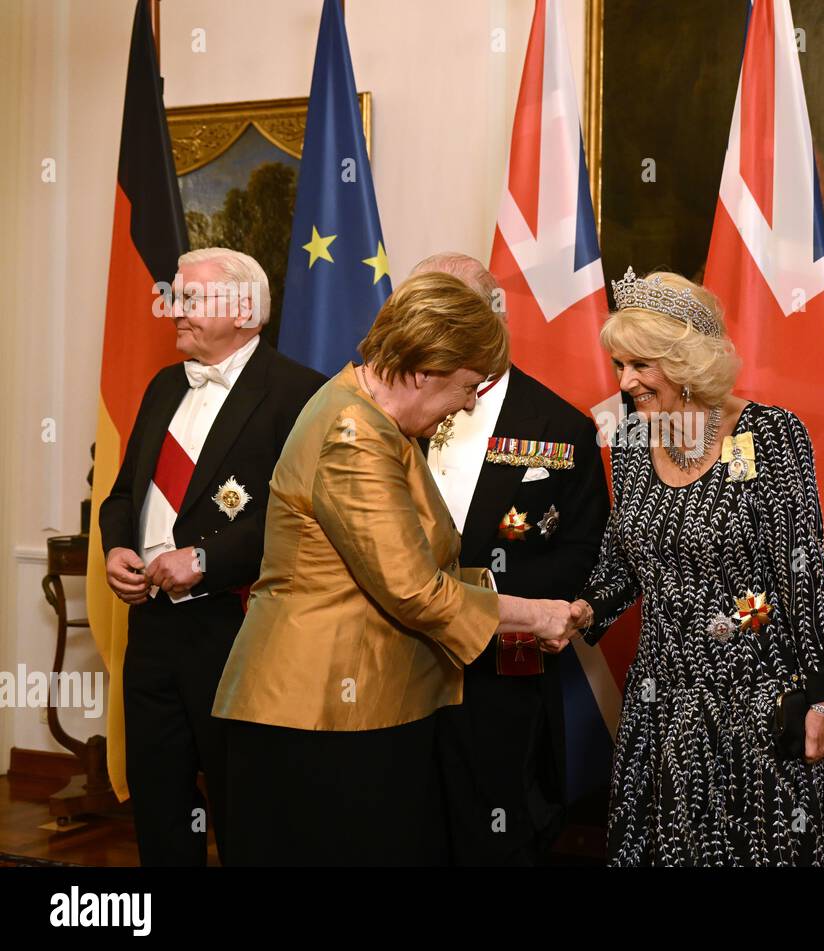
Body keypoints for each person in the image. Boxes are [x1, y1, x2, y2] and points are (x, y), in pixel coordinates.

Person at [210, 270, 573, 865]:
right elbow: (413, 591)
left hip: (361, 707)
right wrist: (533, 616)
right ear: (429, 365)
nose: (466, 404)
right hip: (319, 714)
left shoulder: (377, 422)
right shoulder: (354, 434)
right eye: (468, 386)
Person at [568, 269, 824, 866]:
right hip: (661, 700)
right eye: (620, 365)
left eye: (641, 364)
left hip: (758, 700)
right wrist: (585, 608)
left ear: (687, 361)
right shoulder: (631, 443)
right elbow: (627, 558)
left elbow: (805, 574)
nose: (625, 382)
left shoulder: (771, 435)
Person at [99, 247, 326, 865]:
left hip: (239, 631)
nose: (174, 310)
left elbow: (301, 516)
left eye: (190, 299)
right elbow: (122, 494)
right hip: (150, 630)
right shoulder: (164, 385)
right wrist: (117, 546)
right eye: (174, 296)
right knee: (159, 803)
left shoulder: (301, 394)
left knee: (245, 808)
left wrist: (204, 559)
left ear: (246, 311)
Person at [411, 253, 610, 865]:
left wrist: (483, 597)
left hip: (502, 670)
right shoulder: (389, 411)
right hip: (394, 664)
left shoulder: (558, 426)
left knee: (499, 834)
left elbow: (585, 549)